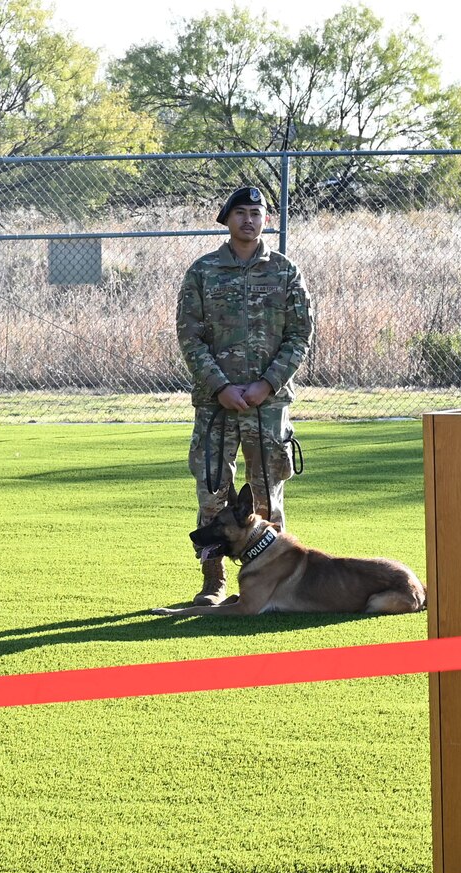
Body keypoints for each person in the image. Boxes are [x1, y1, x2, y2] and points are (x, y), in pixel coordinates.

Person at [175, 185, 315, 605]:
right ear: (227, 219)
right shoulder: (203, 272)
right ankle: (213, 583)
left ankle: (274, 583)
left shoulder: (285, 271)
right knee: (213, 493)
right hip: (216, 406)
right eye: (241, 212)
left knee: (266, 491)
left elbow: (300, 334)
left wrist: (266, 384)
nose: (249, 220)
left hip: (266, 406)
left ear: (266, 220)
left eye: (257, 212)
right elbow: (190, 336)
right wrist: (219, 386)